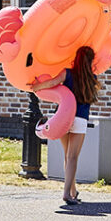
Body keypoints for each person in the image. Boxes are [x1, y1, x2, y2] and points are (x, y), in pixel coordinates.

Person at [31, 46, 98, 206]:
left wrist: (36, 88)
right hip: (80, 118)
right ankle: (67, 193)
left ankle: (72, 191)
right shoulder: (92, 78)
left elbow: (53, 83)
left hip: (63, 118)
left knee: (67, 156)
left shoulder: (67, 73)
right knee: (73, 156)